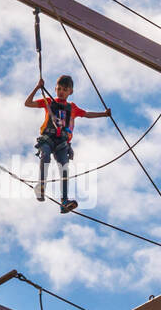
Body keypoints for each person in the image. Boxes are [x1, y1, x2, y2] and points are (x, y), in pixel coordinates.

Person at [24, 74, 110, 212]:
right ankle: (40, 187)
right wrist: (37, 87)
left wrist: (104, 114)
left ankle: (64, 201)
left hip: (63, 143)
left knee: (64, 169)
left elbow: (87, 114)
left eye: (65, 89)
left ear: (71, 91)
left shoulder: (72, 108)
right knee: (45, 155)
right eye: (59, 89)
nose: (61, 92)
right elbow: (27, 103)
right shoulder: (48, 101)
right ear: (55, 89)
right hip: (48, 138)